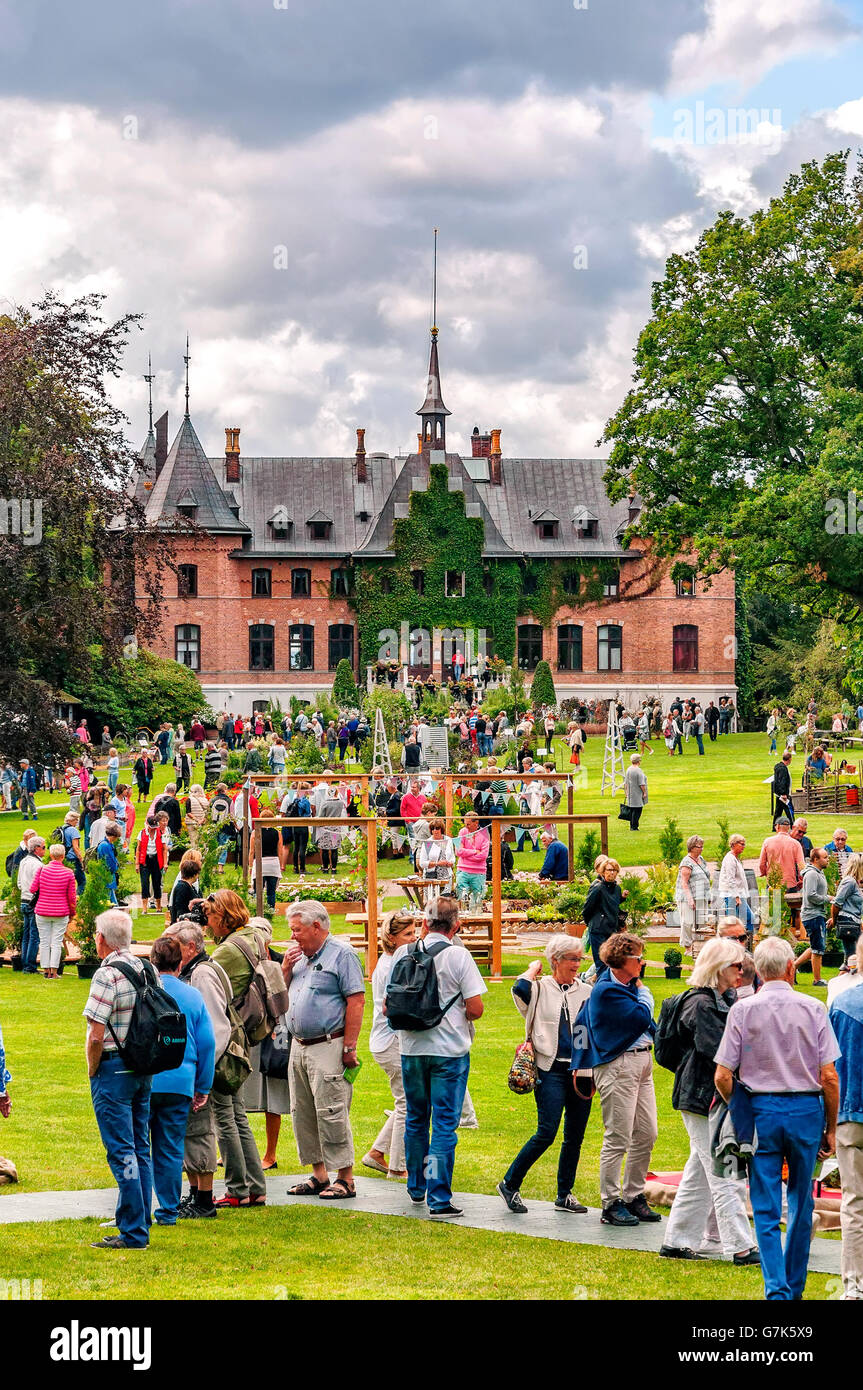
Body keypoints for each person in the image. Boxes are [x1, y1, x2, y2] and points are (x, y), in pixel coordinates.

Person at [715, 936, 840, 1301]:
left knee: (766, 1206)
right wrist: (830, 1128)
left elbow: (722, 1075)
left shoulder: (742, 1009)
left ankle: (777, 1290)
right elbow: (829, 1075)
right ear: (790, 967)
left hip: (760, 1111)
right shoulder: (813, 1008)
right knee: (802, 1203)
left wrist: (739, 1107)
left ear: (760, 971)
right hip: (804, 1110)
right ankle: (793, 1286)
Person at [659, 937, 759, 1264]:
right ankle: (741, 1246)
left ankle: (677, 1240)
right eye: (736, 965)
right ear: (719, 967)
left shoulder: (713, 1000)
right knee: (723, 1171)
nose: (741, 971)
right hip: (704, 1097)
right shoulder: (702, 1004)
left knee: (700, 1172)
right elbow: (719, 1051)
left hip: (702, 1095)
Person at [392, 895, 486, 1218]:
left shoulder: (403, 952)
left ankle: (416, 1185)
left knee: (416, 1120)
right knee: (444, 1125)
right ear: (456, 926)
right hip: (448, 1052)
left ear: (424, 923)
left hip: (410, 1048)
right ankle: (439, 1196)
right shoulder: (459, 957)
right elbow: (476, 1008)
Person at [497, 935, 593, 1215]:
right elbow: (518, 989)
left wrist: (590, 1068)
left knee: (575, 1135)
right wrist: (531, 968)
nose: (577, 964)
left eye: (580, 958)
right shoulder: (539, 990)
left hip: (580, 1071)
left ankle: (565, 1194)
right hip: (550, 1069)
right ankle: (510, 1183)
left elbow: (591, 1029)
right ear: (556, 960)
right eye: (572, 958)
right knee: (547, 1132)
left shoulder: (585, 991)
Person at [570, 932, 661, 1227]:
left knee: (647, 1133)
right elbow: (641, 1017)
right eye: (638, 957)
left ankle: (634, 1196)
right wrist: (644, 991)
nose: (642, 962)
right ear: (624, 960)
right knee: (618, 1136)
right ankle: (610, 1202)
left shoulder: (626, 985)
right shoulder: (607, 990)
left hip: (642, 1062)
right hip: (618, 1065)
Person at [283, 900, 365, 1200]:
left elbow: (356, 1001)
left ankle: (346, 1177)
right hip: (299, 1046)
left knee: (332, 1110)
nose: (293, 936)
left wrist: (350, 1046)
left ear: (317, 926)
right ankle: (319, 1174)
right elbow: (283, 997)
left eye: (297, 930)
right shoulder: (299, 957)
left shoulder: (341, 955)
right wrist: (286, 971)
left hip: (329, 1044)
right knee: (302, 1111)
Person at [83, 909, 152, 1249]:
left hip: (113, 1067)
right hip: (142, 1065)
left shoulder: (106, 975)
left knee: (121, 1151)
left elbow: (96, 1034)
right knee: (141, 1146)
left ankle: (134, 1232)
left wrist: (92, 1069)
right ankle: (141, 1219)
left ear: (102, 939)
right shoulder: (145, 966)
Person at [204, 890, 269, 1207]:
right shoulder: (252, 936)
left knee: (224, 1115)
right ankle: (254, 1186)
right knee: (237, 1114)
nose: (207, 922)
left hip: (226, 1036)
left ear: (224, 916)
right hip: (242, 1035)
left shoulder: (228, 951)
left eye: (211, 916)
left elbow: (203, 978)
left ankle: (237, 1189)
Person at [165, 919, 232, 1219]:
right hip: (194, 1070)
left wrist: (202, 1075)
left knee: (200, 1134)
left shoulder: (201, 975)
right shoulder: (192, 973)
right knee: (189, 1134)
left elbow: (215, 1029)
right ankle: (195, 1196)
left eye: (174, 945)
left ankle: (204, 1199)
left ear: (190, 947)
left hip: (199, 1070)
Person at [148, 935, 215, 1225]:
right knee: (172, 1147)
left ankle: (136, 1207)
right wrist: (203, 1086)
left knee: (139, 1146)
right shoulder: (192, 996)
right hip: (181, 1081)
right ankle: (168, 1209)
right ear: (180, 962)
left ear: (152, 961)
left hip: (146, 1080)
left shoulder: (146, 992)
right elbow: (207, 1043)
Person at [362, 911, 419, 1179]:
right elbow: (392, 1008)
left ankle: (377, 1153)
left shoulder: (392, 961)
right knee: (407, 1103)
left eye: (415, 931)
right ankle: (398, 1167)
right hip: (390, 1041)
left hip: (386, 1040)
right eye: (408, 934)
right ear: (392, 938)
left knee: (403, 1102)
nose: (415, 937)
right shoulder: (392, 965)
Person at [829, 938, 863, 1299]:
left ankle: (854, 1286)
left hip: (851, 1110)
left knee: (854, 1203)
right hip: (851, 1107)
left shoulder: (842, 1003)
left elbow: (828, 1069)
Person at [30, 842, 77, 979]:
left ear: (50, 855)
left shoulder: (42, 870)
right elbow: (71, 897)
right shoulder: (68, 873)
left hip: (42, 910)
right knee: (56, 942)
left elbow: (32, 889)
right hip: (61, 911)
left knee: (44, 941)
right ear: (63, 856)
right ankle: (54, 972)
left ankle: (46, 971)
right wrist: (72, 913)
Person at [795, 847, 831, 986]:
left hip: (817, 913)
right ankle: (817, 980)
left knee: (816, 945)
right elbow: (811, 895)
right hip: (812, 914)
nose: (827, 859)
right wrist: (827, 899)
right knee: (818, 948)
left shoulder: (819, 873)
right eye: (825, 857)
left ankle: (793, 966)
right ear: (816, 859)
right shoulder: (811, 874)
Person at [582, 858, 623, 979]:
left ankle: (595, 983)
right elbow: (587, 908)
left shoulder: (617, 889)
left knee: (612, 963)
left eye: (615, 870)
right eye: (609, 870)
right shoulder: (598, 888)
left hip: (611, 930)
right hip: (598, 930)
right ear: (603, 872)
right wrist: (592, 923)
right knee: (601, 965)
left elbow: (614, 905)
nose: (612, 873)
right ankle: (600, 992)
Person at [675, 836, 712, 955]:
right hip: (688, 897)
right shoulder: (686, 862)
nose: (701, 849)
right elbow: (684, 883)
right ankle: (687, 947)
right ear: (691, 847)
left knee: (701, 921)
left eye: (702, 846)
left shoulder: (701, 859)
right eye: (699, 847)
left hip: (702, 895)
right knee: (687, 921)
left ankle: (699, 947)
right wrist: (690, 899)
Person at [17, 834, 46, 974]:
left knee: (27, 934)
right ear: (36, 849)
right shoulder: (38, 864)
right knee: (34, 935)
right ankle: (29, 966)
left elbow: (18, 883)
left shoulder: (24, 861)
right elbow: (40, 885)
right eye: (44, 848)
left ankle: (25, 963)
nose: (45, 850)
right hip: (33, 901)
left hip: (24, 899)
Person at [832, 852, 863, 967]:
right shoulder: (849, 882)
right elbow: (836, 903)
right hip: (848, 923)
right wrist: (834, 920)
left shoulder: (854, 882)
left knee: (851, 959)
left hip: (853, 922)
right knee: (852, 958)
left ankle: (842, 981)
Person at [454, 810, 489, 911]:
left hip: (479, 872)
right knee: (461, 898)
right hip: (463, 870)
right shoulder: (462, 832)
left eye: (468, 824)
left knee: (477, 899)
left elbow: (483, 855)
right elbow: (458, 851)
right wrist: (474, 851)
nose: (466, 826)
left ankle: (476, 924)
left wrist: (466, 854)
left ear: (476, 823)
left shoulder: (484, 833)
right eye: (465, 824)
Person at [717, 833, 752, 933]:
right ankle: (735, 944)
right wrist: (736, 896)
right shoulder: (730, 859)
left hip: (738, 895)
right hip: (732, 895)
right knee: (733, 923)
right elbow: (730, 879)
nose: (743, 847)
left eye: (744, 844)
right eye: (742, 844)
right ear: (733, 844)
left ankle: (745, 944)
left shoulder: (735, 858)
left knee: (745, 920)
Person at [250, 807, 283, 908]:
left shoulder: (255, 833)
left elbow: (252, 851)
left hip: (260, 863)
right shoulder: (277, 833)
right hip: (273, 863)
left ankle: (256, 909)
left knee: (257, 891)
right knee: (271, 892)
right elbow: (280, 852)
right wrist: (280, 865)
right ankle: (271, 910)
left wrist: (250, 866)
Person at [759, 819, 804, 890]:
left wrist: (764, 873)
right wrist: (801, 879)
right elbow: (801, 865)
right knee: (790, 901)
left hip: (773, 883)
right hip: (790, 883)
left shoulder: (767, 842)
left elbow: (762, 864)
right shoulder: (796, 844)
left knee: (773, 901)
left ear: (777, 826)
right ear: (789, 827)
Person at [137, 814, 167, 913]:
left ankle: (158, 906)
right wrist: (137, 864)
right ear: (148, 825)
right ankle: (144, 908)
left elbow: (164, 849)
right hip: (145, 861)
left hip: (156, 860)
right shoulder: (142, 833)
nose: (154, 829)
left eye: (155, 827)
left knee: (156, 883)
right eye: (152, 827)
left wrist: (165, 863)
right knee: (145, 883)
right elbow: (138, 849)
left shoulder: (161, 833)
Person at [417, 817, 455, 895]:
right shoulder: (427, 843)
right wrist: (437, 863)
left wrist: (450, 863)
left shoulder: (449, 840)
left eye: (437, 828)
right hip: (430, 876)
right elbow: (422, 863)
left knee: (444, 903)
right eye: (433, 828)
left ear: (441, 829)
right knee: (432, 904)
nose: (435, 830)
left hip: (446, 877)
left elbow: (452, 858)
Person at [315, 785, 345, 874]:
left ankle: (325, 868)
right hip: (336, 827)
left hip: (326, 828)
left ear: (328, 792)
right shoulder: (340, 802)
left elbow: (321, 816)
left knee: (325, 849)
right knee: (334, 849)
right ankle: (334, 869)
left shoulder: (325, 803)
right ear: (337, 792)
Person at [168, 851, 202, 923]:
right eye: (200, 860)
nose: (201, 862)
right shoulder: (183, 886)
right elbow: (180, 908)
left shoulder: (190, 885)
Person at [96, 823, 123, 906]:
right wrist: (116, 867)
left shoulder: (106, 844)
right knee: (110, 904)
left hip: (107, 878)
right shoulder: (105, 846)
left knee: (112, 903)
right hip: (106, 878)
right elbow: (110, 863)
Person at [623, 753, 647, 830]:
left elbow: (626, 782)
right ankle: (634, 826)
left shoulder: (629, 769)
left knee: (632, 809)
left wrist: (626, 792)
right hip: (637, 793)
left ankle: (632, 825)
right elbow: (641, 783)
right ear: (639, 761)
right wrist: (644, 792)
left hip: (630, 792)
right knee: (638, 809)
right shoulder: (638, 770)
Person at [771, 750, 794, 827]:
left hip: (778, 794)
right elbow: (782, 781)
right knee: (789, 809)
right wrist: (783, 793)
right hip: (782, 794)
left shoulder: (778, 766)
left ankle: (775, 826)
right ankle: (792, 824)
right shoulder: (783, 769)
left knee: (778, 811)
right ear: (789, 759)